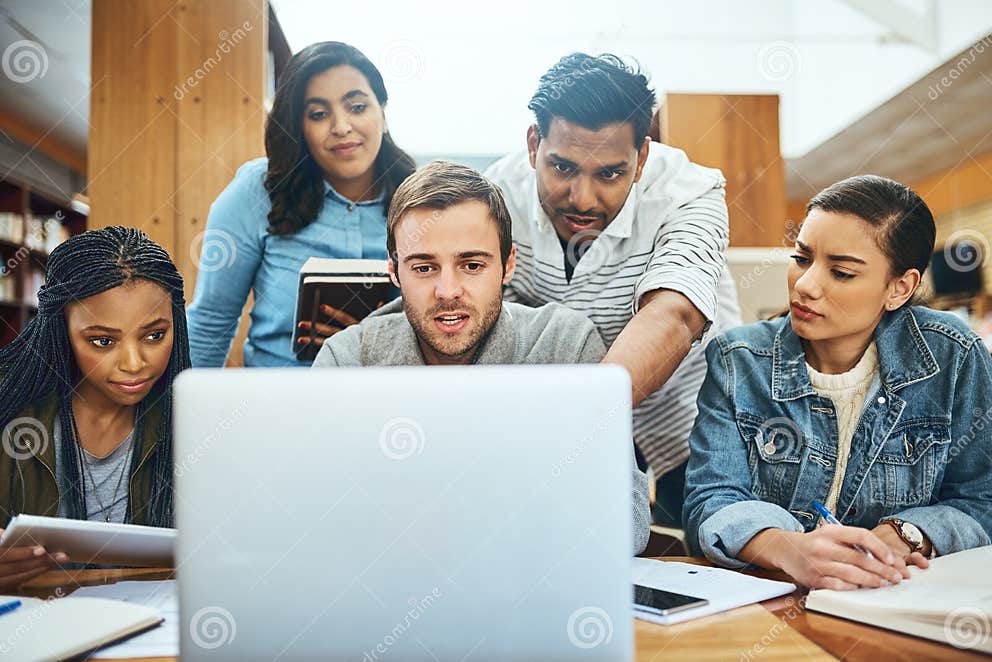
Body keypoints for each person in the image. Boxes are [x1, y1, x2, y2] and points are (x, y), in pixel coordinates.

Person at [313, 160, 651, 554]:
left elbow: (625, 522)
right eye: (423, 267)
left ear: (508, 265)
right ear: (393, 271)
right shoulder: (349, 361)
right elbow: (319, 520)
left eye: (472, 265)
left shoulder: (566, 347)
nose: (447, 290)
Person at [683, 175, 992, 589]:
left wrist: (907, 534)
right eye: (801, 258)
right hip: (775, 607)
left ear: (900, 288)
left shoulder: (955, 357)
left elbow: (982, 500)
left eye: (841, 272)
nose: (806, 284)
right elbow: (709, 502)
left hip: (900, 599)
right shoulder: (738, 360)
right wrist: (791, 548)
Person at [484, 53, 741, 527]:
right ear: (533, 142)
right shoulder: (492, 196)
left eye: (609, 174)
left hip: (685, 415)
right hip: (551, 415)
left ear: (641, 157)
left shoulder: (691, 191)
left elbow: (674, 314)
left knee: (695, 553)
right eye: (562, 167)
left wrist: (582, 416)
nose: (582, 198)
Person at [186, 41, 416, 367]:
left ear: (383, 110)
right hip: (277, 403)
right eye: (319, 114)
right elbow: (210, 322)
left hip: (387, 404)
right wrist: (185, 416)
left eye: (357, 107)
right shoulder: (258, 191)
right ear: (299, 127)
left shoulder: (420, 199)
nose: (341, 127)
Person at [0, 226, 190, 588]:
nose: (134, 363)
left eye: (154, 335)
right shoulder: (10, 405)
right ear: (60, 332)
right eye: (103, 341)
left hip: (153, 630)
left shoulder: (198, 422)